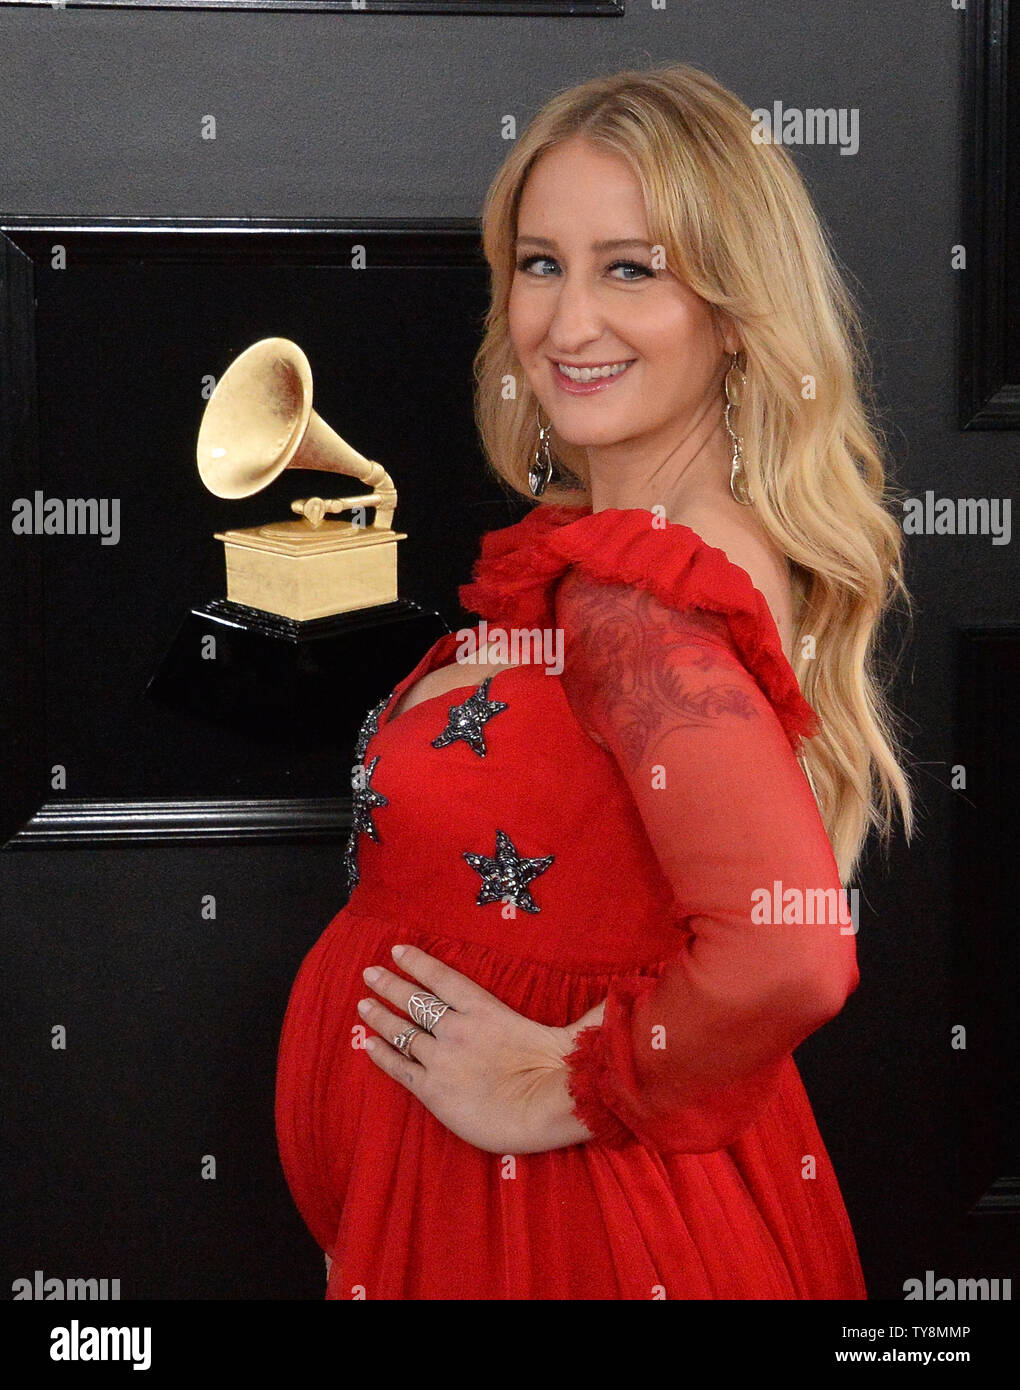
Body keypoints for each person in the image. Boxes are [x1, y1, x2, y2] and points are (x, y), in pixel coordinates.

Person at [275, 62, 913, 1300]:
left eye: (632, 268)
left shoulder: (641, 596)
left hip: (558, 1229)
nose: (568, 324)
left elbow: (792, 956)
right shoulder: (645, 552)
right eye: (540, 263)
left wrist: (565, 1084)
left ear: (734, 308)